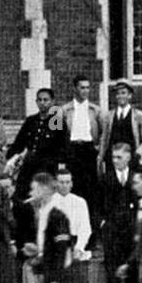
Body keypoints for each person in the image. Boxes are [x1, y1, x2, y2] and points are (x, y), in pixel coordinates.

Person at [6, 88, 68, 244]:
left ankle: (40, 238)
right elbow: (19, 143)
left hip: (46, 169)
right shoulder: (31, 121)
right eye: (39, 100)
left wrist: (58, 167)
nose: (42, 103)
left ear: (52, 102)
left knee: (41, 203)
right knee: (20, 200)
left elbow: (62, 146)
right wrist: (10, 157)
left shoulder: (56, 120)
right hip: (28, 169)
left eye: (46, 100)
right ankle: (22, 238)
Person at [98, 142, 138, 283]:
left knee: (132, 276)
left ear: (129, 157)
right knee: (112, 277)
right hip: (112, 233)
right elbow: (98, 204)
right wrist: (102, 223)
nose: (115, 161)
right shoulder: (106, 178)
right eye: (113, 157)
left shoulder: (136, 178)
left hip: (131, 232)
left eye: (119, 157)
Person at [54, 165, 94, 283]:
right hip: (56, 247)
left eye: (67, 182)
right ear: (56, 183)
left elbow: (86, 228)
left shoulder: (80, 202)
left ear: (71, 184)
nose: (64, 185)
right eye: (61, 182)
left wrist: (79, 247)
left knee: (81, 282)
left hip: (75, 245)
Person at [59, 75, 102, 218]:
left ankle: (91, 229)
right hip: (72, 151)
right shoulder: (63, 110)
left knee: (91, 190)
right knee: (73, 188)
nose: (85, 91)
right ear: (75, 88)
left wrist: (98, 150)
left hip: (89, 151)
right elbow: (56, 135)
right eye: (82, 87)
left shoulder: (96, 110)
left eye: (88, 88)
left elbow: (104, 133)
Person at [98, 80, 142, 168]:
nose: (120, 96)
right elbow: (104, 139)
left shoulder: (138, 115)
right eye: (118, 94)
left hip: (131, 161)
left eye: (123, 93)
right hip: (112, 162)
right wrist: (101, 157)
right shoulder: (109, 116)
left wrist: (139, 153)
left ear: (129, 95)